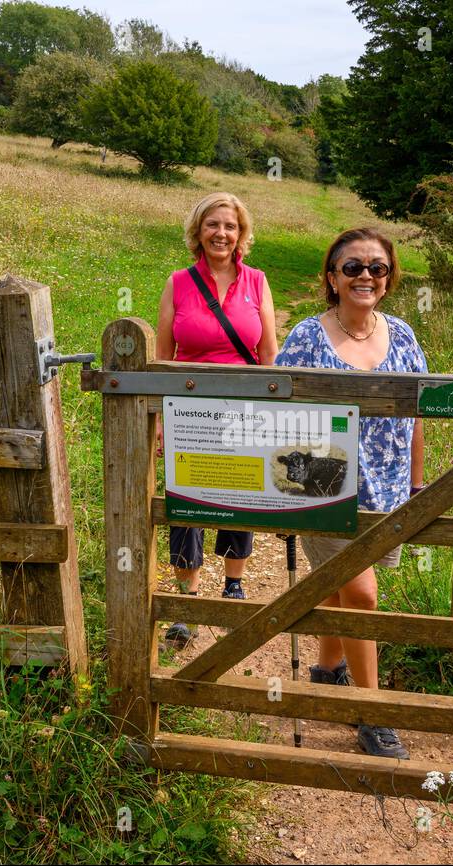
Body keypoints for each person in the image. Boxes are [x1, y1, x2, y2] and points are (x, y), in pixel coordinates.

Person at [274, 227, 426, 760]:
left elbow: (417, 416)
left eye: (377, 268)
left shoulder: (403, 336)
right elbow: (279, 418)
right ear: (332, 277)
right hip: (325, 487)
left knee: (343, 588)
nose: (366, 276)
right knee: (361, 594)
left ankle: (329, 668)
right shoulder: (306, 339)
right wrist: (285, 494)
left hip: (388, 489)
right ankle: (373, 715)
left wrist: (416, 486)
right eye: (353, 267)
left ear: (388, 279)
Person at [157, 192, 278, 646]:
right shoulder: (178, 282)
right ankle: (187, 598)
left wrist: (272, 412)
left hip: (244, 410)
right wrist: (160, 421)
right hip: (188, 409)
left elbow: (268, 356)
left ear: (241, 234)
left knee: (237, 491)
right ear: (198, 231)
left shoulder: (258, 281)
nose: (221, 233)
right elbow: (163, 358)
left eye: (230, 226)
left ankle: (233, 582)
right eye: (212, 225)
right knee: (186, 502)